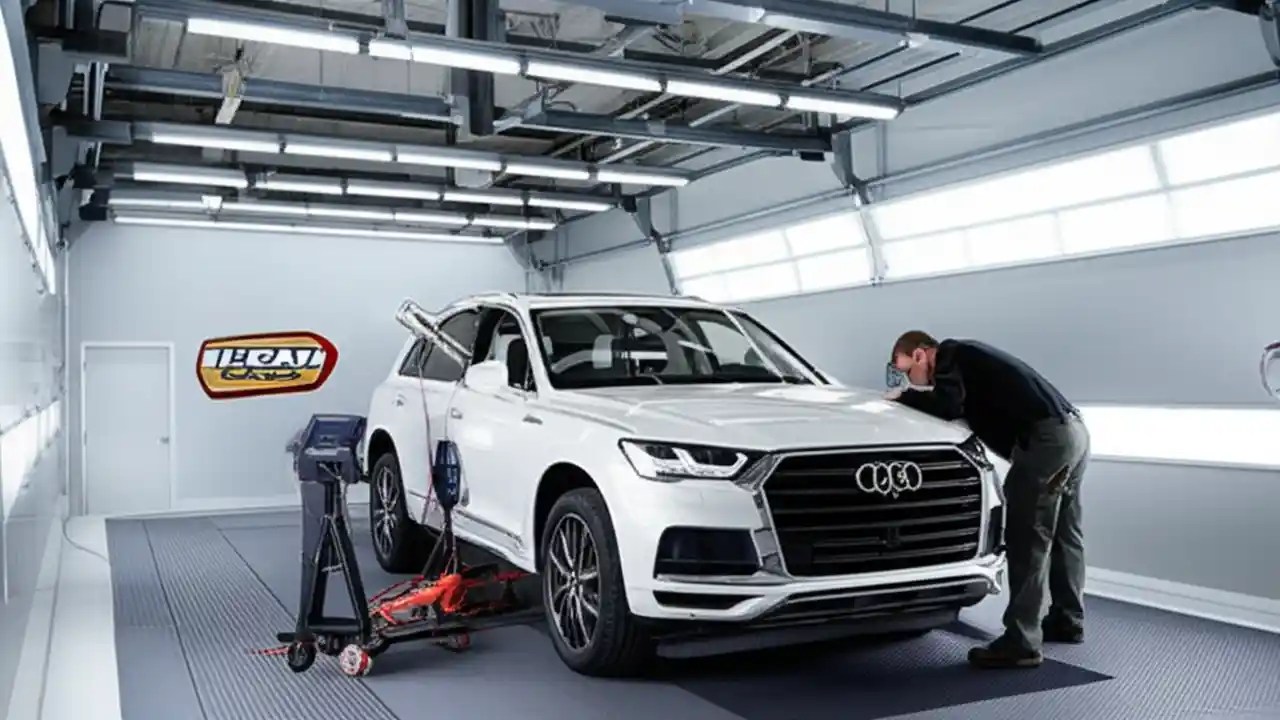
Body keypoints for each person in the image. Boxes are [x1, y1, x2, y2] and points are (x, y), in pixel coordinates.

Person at [885, 331, 1090, 669]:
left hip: (1047, 442)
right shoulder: (972, 358)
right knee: (1066, 534)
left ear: (920, 355)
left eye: (907, 371)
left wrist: (902, 398)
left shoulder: (950, 355)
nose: (912, 381)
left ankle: (1022, 641)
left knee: (1028, 537)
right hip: (1074, 432)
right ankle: (1069, 620)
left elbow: (947, 405)